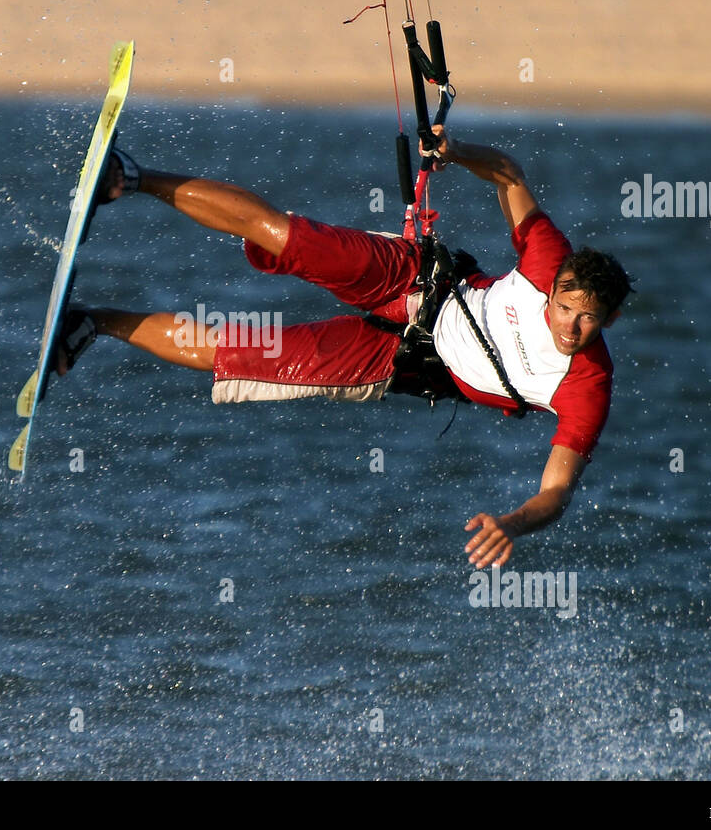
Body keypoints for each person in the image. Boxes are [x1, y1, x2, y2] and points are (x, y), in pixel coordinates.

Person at [55, 133, 632, 569]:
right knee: (281, 235)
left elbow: (556, 493)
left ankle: (95, 323)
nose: (571, 326)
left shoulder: (587, 385)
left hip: (400, 360)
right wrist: (453, 152)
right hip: (412, 278)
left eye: (589, 319)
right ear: (555, 288)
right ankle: (129, 178)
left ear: (610, 319)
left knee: (238, 354)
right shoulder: (547, 259)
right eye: (565, 308)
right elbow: (508, 174)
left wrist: (511, 524)